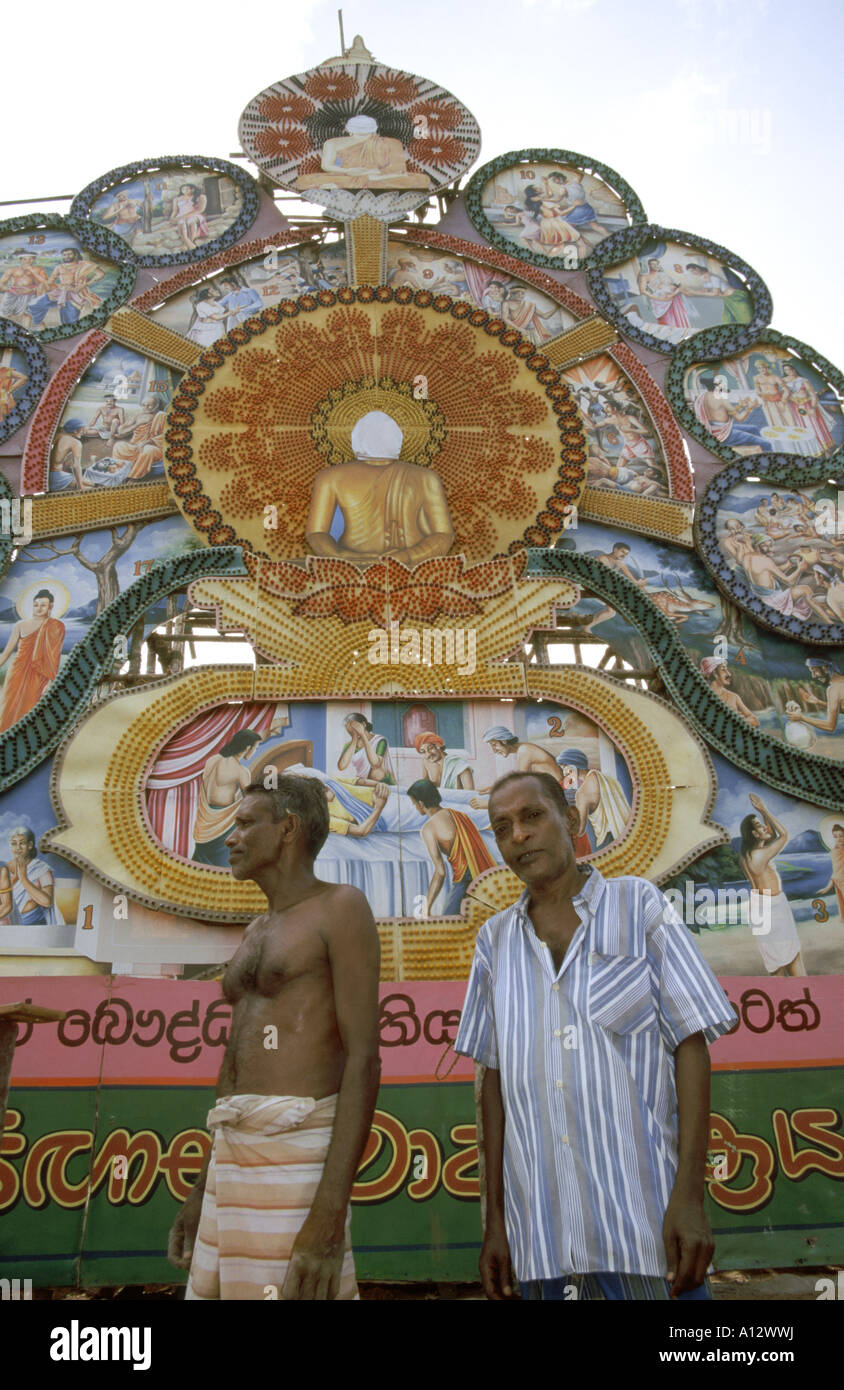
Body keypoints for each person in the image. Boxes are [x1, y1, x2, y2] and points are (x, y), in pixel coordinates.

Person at [455, 770, 736, 1301]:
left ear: (573, 819)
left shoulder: (639, 906)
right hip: (541, 1241)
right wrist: (495, 1223)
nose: (518, 835)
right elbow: (491, 1083)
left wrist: (690, 1199)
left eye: (533, 816)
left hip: (647, 1230)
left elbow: (691, 1045)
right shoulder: (494, 942)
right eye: (501, 826)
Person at [168, 775, 380, 1300]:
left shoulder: (341, 907)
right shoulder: (256, 930)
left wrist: (329, 1213)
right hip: (232, 1158)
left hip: (300, 1159)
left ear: (287, 829)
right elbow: (235, 1070)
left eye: (243, 824)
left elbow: (364, 1060)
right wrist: (202, 1189)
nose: (229, 838)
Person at [306, 411, 454, 566]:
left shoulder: (330, 476)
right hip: (408, 566)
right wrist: (406, 557)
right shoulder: (426, 477)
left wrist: (342, 556)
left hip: (355, 566)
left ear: (355, 440)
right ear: (398, 439)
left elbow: (316, 534)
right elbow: (444, 536)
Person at [407, 778, 496, 916]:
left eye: (414, 804)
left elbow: (440, 871)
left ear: (421, 803)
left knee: (449, 925)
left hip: (464, 881)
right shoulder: (460, 816)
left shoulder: (428, 829)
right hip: (484, 879)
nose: (415, 807)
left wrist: (427, 906)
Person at [739, 794, 805, 976]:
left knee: (775, 964)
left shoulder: (748, 854)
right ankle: (806, 997)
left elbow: (772, 833)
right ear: (754, 834)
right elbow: (783, 835)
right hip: (773, 909)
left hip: (762, 908)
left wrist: (763, 816)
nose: (765, 827)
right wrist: (763, 809)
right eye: (760, 826)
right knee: (793, 958)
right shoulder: (760, 855)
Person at [298, 114, 429, 191]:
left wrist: (373, 173)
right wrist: (348, 171)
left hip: (378, 176)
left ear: (374, 132)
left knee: (421, 180)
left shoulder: (390, 143)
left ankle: (371, 179)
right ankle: (370, 179)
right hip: (348, 176)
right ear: (349, 131)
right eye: (358, 134)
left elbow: (398, 170)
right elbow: (326, 166)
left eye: (366, 135)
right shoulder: (333, 143)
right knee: (305, 181)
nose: (362, 138)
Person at [192, 730, 262, 866]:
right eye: (255, 748)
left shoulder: (212, 760)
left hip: (205, 821)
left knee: (200, 866)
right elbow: (250, 801)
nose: (255, 751)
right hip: (225, 825)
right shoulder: (241, 772)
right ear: (247, 747)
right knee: (224, 865)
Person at [0, 589, 65, 731]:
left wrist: (50, 681)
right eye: (36, 605)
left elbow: (54, 656)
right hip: (17, 670)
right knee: (8, 706)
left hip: (38, 673)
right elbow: (6, 653)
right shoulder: (21, 625)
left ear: (51, 606)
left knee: (30, 707)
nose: (39, 608)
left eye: (43, 605)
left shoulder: (56, 626)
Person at [554, 747, 631, 851]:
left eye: (565, 769)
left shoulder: (582, 793)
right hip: (625, 833)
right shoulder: (603, 778)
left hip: (607, 841)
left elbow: (579, 830)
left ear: (573, 767)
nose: (565, 774)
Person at [693, 371, 774, 453]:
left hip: (715, 428)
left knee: (754, 428)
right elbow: (740, 418)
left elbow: (722, 413)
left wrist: (741, 406)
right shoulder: (721, 399)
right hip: (723, 434)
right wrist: (750, 407)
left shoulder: (702, 397)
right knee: (766, 443)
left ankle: (756, 450)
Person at [27, 247, 105, 328]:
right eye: (64, 255)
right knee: (35, 305)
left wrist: (84, 285)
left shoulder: (84, 265)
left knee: (69, 320)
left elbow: (101, 274)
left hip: (76, 293)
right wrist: (34, 273)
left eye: (69, 254)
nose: (66, 256)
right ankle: (37, 323)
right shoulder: (59, 267)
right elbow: (50, 282)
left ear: (75, 255)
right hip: (61, 291)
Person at [6, 826, 65, 926]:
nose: (18, 848)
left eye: (22, 843)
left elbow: (47, 902)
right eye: (14, 844)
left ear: (30, 845)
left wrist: (24, 879)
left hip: (33, 924)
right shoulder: (4, 869)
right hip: (7, 922)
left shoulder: (41, 869)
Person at [337, 712, 396, 784]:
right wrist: (354, 739)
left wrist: (362, 735)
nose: (352, 730)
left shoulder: (380, 740)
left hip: (382, 782)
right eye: (349, 728)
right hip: (362, 782)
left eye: (354, 726)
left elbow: (375, 764)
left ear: (363, 724)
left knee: (376, 772)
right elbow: (341, 766)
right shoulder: (349, 745)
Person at [699, 656, 759, 726]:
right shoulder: (703, 695)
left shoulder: (734, 697)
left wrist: (739, 721)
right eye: (724, 670)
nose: (729, 674)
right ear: (715, 674)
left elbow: (755, 721)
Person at [790, 657, 844, 733]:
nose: (813, 676)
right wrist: (819, 702)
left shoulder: (833, 689)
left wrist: (801, 717)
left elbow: (830, 726)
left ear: (825, 668)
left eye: (815, 671)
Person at [0, 249, 49, 325]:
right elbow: (1, 284)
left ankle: (27, 331)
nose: (27, 261)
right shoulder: (11, 270)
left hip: (30, 293)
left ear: (33, 260)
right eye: (25, 259)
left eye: (30, 259)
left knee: (28, 315)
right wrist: (10, 289)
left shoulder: (39, 269)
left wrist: (32, 271)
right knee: (6, 315)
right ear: (20, 260)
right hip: (12, 294)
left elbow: (46, 283)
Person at [169, 184, 210, 251]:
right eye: (183, 189)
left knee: (191, 221)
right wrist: (172, 218)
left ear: (192, 189)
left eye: (187, 189)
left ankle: (187, 244)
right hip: (181, 216)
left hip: (195, 215)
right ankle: (188, 242)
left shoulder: (200, 197)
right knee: (181, 222)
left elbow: (200, 210)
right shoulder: (177, 199)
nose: (185, 191)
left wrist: (184, 216)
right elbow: (175, 211)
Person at [819, 823, 844, 919]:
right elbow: (836, 872)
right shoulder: (834, 852)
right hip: (839, 882)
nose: (839, 839)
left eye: (841, 836)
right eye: (835, 837)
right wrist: (828, 887)